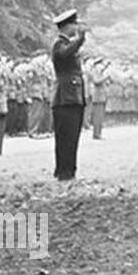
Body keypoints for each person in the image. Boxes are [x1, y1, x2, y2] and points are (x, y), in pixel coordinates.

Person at [50, 9, 86, 181]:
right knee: (66, 136)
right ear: (67, 25)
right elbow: (64, 54)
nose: (76, 27)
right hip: (65, 97)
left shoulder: (67, 43)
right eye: (74, 24)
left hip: (72, 96)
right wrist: (79, 41)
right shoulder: (59, 43)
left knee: (72, 136)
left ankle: (68, 170)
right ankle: (64, 171)